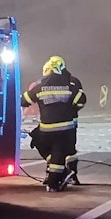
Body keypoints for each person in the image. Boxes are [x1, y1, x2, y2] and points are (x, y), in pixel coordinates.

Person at [21, 56, 87, 192]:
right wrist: (69, 110)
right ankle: (59, 179)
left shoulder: (40, 87)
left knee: (38, 138)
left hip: (46, 129)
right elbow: (81, 100)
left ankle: (56, 174)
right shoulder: (70, 85)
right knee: (61, 152)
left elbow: (23, 101)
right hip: (66, 128)